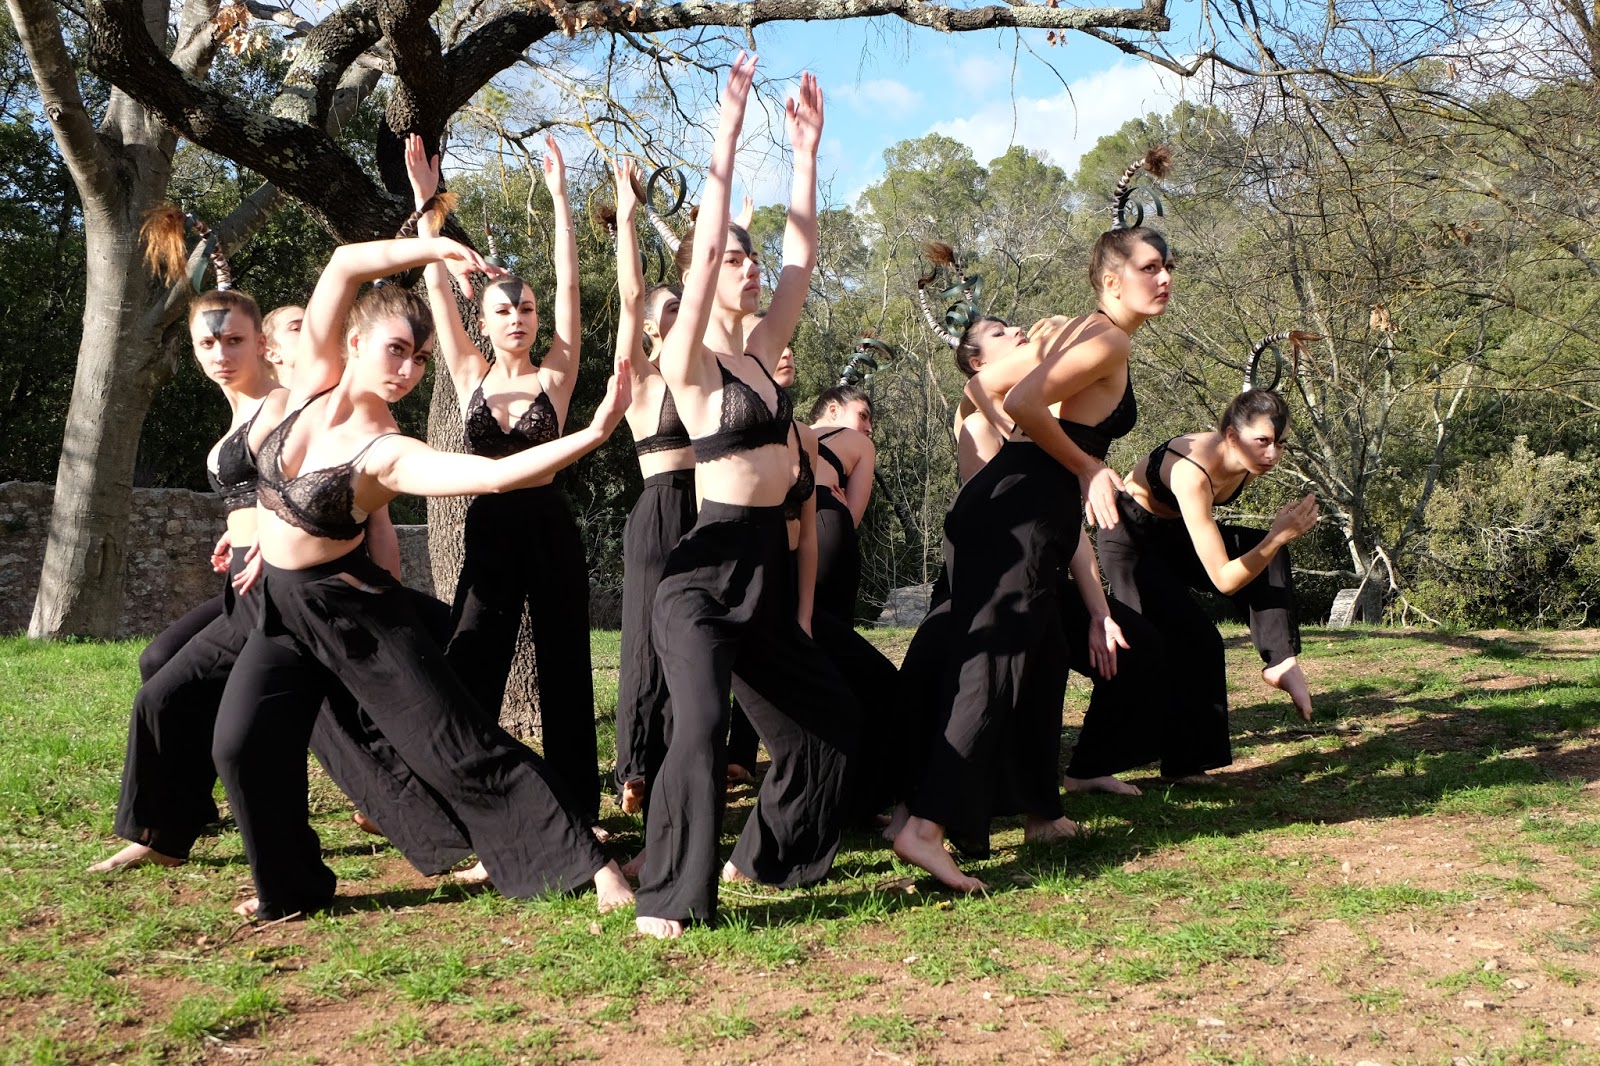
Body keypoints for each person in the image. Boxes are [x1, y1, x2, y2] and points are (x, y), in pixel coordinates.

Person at [209, 231, 634, 920]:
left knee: (456, 743)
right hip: (278, 610)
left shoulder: (387, 448)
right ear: (353, 344)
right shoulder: (310, 379)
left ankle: (588, 860)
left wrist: (594, 434)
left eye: (419, 359)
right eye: (396, 351)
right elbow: (346, 262)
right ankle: (290, 888)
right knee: (241, 743)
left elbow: (495, 475)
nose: (407, 371)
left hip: (354, 613)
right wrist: (433, 245)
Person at [893, 152, 1175, 891]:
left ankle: (1034, 810)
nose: (1164, 278)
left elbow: (990, 386)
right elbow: (1013, 404)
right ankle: (925, 827)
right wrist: (1085, 467)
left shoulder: (1079, 331)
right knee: (992, 670)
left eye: (1167, 266)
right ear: (1112, 280)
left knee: (1039, 660)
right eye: (1150, 267)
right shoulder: (1104, 338)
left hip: (1021, 507)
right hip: (1022, 511)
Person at [636, 56, 858, 939]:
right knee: (696, 731)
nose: (751, 266)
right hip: (704, 573)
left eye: (749, 254)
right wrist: (725, 137)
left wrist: (807, 150)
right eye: (733, 258)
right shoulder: (689, 362)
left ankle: (762, 857)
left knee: (827, 719)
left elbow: (801, 253)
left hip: (767, 565)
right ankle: (669, 897)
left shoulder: (766, 352)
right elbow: (698, 263)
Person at [405, 133, 602, 827]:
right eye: (502, 310)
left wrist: (559, 201)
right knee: (472, 658)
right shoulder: (468, 373)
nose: (516, 318)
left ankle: (578, 805)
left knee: (564, 664)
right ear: (482, 322)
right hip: (487, 530)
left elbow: (572, 286)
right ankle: (462, 796)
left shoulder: (557, 376)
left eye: (525, 310)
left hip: (548, 530)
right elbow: (434, 281)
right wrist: (427, 202)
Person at [1094, 383, 1320, 784]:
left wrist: (1273, 542)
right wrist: (1278, 535)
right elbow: (1224, 580)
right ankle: (1092, 765)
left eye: (1281, 444)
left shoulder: (1248, 463)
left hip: (1175, 533)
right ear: (1232, 436)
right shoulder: (1191, 471)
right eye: (1262, 442)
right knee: (1186, 642)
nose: (1272, 455)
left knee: (1265, 550)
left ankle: (1280, 660)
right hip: (1130, 540)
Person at [608, 158, 696, 831]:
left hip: (714, 505)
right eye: (668, 309)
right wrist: (631, 215)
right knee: (645, 640)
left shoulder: (706, 370)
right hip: (661, 506)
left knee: (695, 643)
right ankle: (634, 767)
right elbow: (632, 290)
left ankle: (686, 760)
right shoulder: (641, 376)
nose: (677, 312)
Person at [808, 384, 875, 623]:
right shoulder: (859, 443)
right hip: (825, 518)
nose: (869, 428)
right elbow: (852, 518)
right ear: (834, 410)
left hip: (773, 522)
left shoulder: (787, 430)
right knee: (829, 628)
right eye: (863, 416)